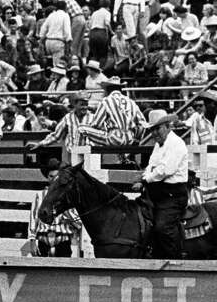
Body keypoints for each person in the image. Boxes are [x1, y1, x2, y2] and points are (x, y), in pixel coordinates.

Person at [139, 109, 188, 259]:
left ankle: (175, 258)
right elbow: (151, 165)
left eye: (157, 128)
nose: (154, 133)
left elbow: (165, 169)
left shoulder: (176, 143)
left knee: (162, 227)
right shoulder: (159, 145)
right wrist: (146, 176)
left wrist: (145, 179)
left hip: (173, 195)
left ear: (168, 126)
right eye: (152, 130)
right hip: (159, 192)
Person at [26, 159, 83, 257]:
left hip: (62, 241)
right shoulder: (40, 195)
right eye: (51, 176)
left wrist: (64, 212)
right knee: (42, 269)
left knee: (63, 270)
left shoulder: (68, 196)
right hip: (43, 240)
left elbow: (78, 223)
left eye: (56, 177)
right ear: (47, 177)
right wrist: (32, 242)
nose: (53, 179)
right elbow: (34, 218)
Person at [78, 76, 146, 147]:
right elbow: (142, 124)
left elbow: (96, 124)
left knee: (81, 128)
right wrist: (137, 139)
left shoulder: (106, 101)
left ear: (108, 90)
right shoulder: (131, 102)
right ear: (120, 89)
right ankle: (124, 157)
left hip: (114, 138)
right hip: (130, 139)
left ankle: (78, 156)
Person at [26, 91, 90, 160]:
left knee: (93, 169)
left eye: (86, 105)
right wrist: (39, 144)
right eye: (82, 105)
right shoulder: (68, 118)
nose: (84, 107)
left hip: (90, 154)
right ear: (75, 105)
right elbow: (56, 135)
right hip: (74, 154)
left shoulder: (93, 118)